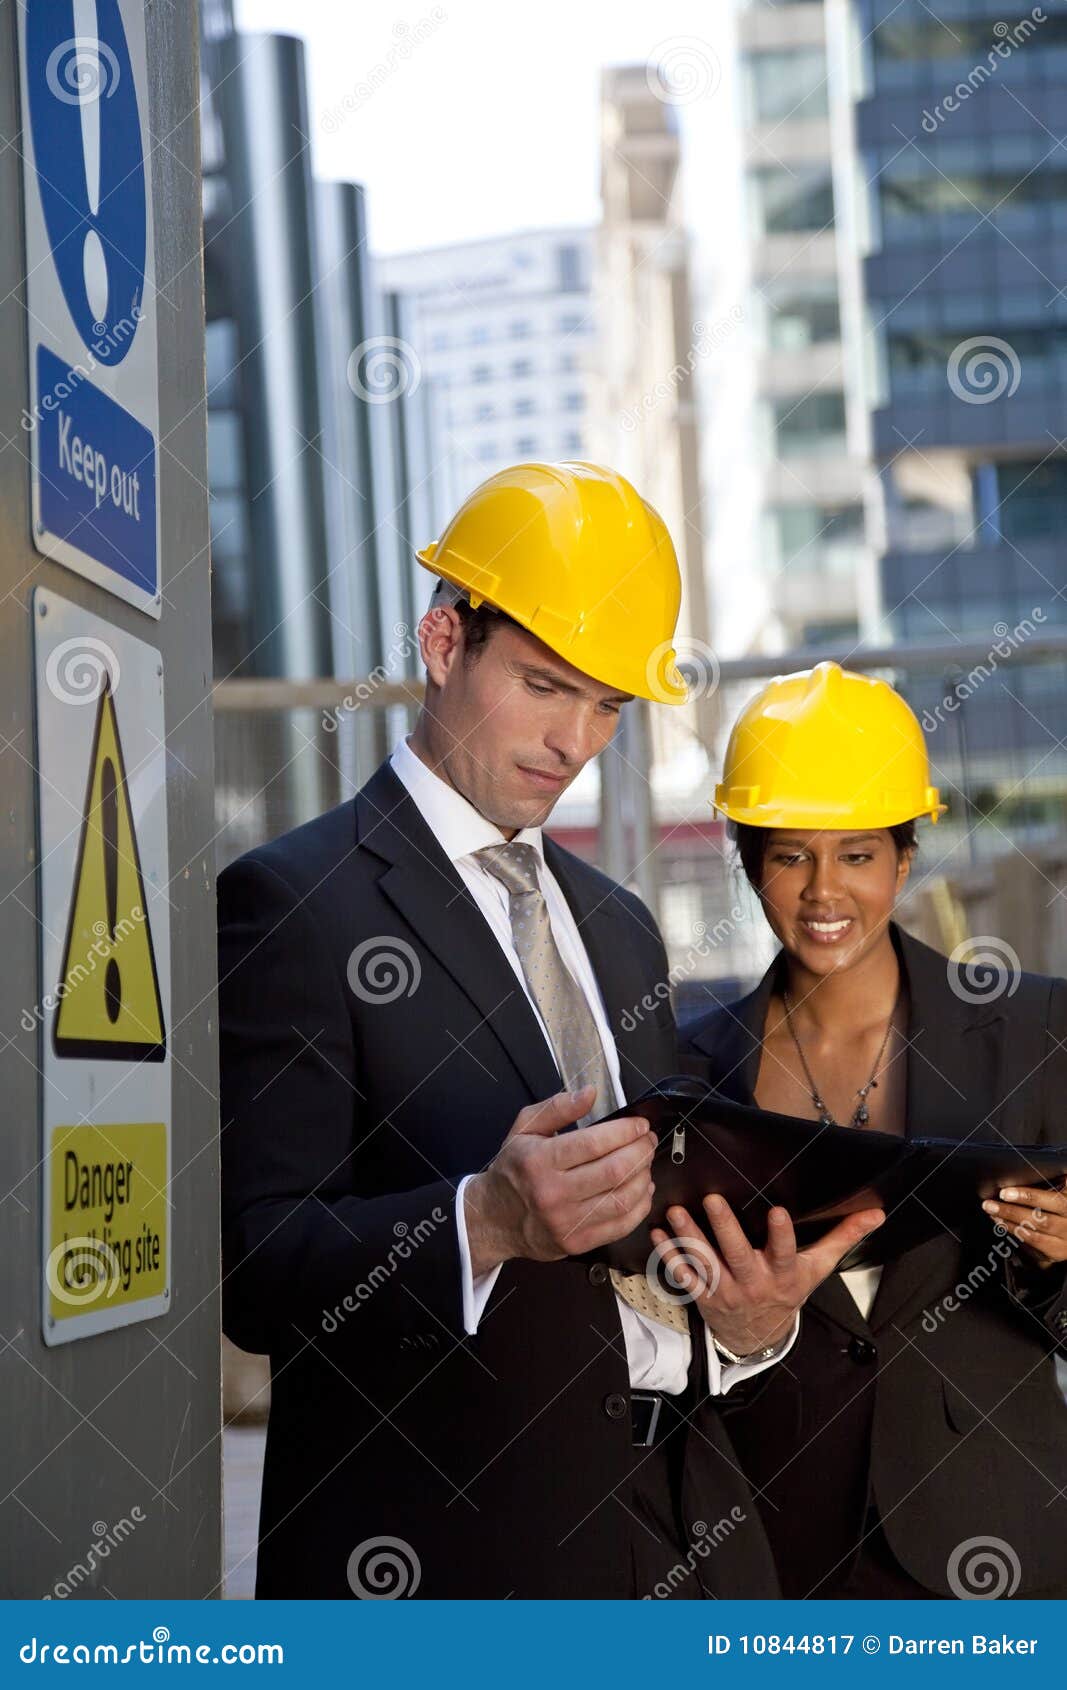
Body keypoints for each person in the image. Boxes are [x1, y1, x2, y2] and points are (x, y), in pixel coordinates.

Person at [218, 465, 881, 1600]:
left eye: (608, 706)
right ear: (441, 642)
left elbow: (657, 1218)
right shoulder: (296, 903)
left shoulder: (618, 931)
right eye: (541, 685)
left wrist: (745, 1310)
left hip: (680, 1540)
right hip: (454, 1563)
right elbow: (258, 1270)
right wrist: (482, 1219)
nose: (574, 739)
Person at [677, 660, 1067, 1599]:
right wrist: (727, 1331)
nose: (823, 892)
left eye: (856, 854)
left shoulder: (1035, 1035)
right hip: (769, 1542)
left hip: (993, 1535)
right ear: (746, 858)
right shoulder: (689, 1071)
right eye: (789, 854)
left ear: (904, 856)